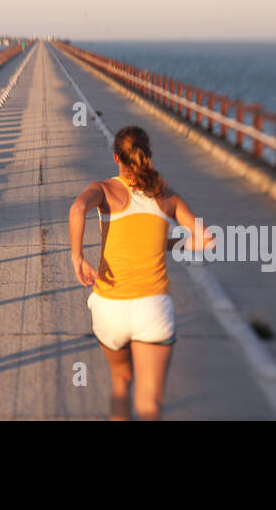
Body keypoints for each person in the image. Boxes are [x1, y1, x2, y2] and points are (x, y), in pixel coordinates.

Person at [68, 124, 213, 420]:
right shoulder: (166, 195)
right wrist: (167, 243)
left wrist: (77, 256)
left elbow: (76, 209)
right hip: (153, 308)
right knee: (149, 404)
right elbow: (205, 239)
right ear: (148, 155)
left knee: (120, 383)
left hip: (110, 306)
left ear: (116, 158)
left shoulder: (104, 190)